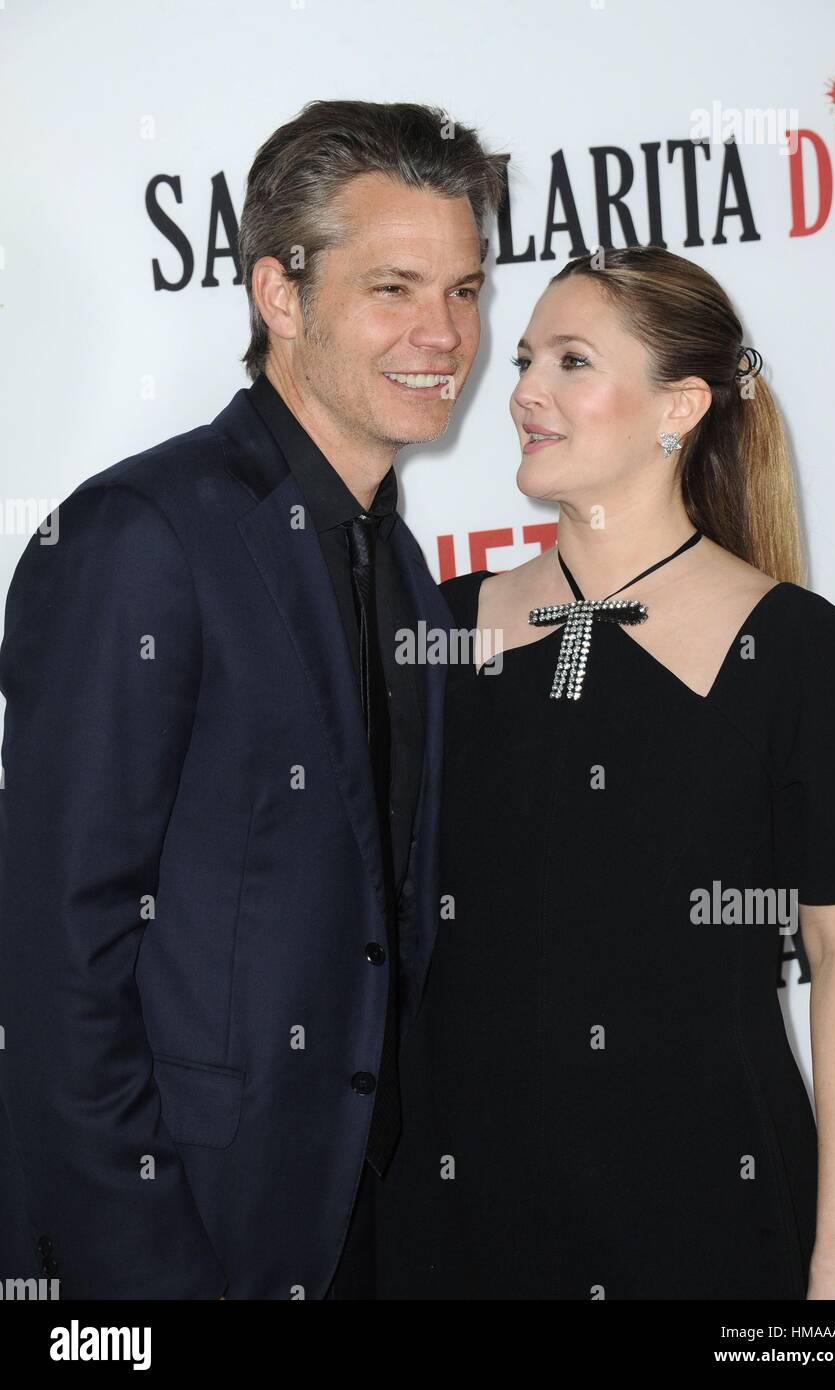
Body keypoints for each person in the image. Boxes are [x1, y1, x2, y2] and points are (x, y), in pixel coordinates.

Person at [0, 99, 505, 1299]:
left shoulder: (402, 567)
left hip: (354, 1233)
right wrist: (146, 1273)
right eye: (393, 287)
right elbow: (55, 957)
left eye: (466, 290)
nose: (443, 334)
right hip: (175, 1242)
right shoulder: (141, 536)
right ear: (279, 296)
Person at [373, 245, 835, 1300]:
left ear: (681, 406)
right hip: (451, 1209)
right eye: (524, 359)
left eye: (571, 361)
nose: (521, 391)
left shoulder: (804, 656)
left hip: (705, 1207)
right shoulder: (432, 626)